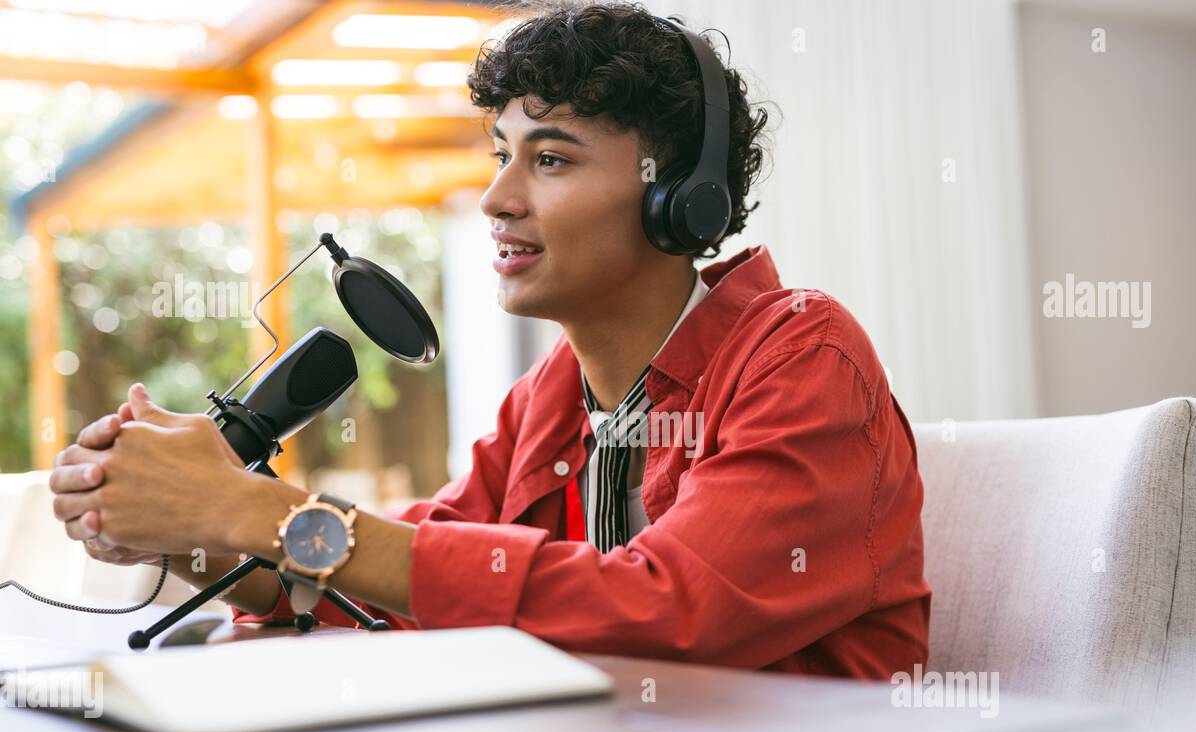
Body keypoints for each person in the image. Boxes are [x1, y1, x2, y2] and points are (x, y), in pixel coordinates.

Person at [48, 2, 929, 679]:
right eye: (500, 153)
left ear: (678, 200)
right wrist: (195, 536)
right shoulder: (551, 396)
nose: (496, 198)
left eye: (550, 159)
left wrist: (247, 510)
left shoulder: (804, 357)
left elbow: (664, 612)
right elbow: (395, 593)